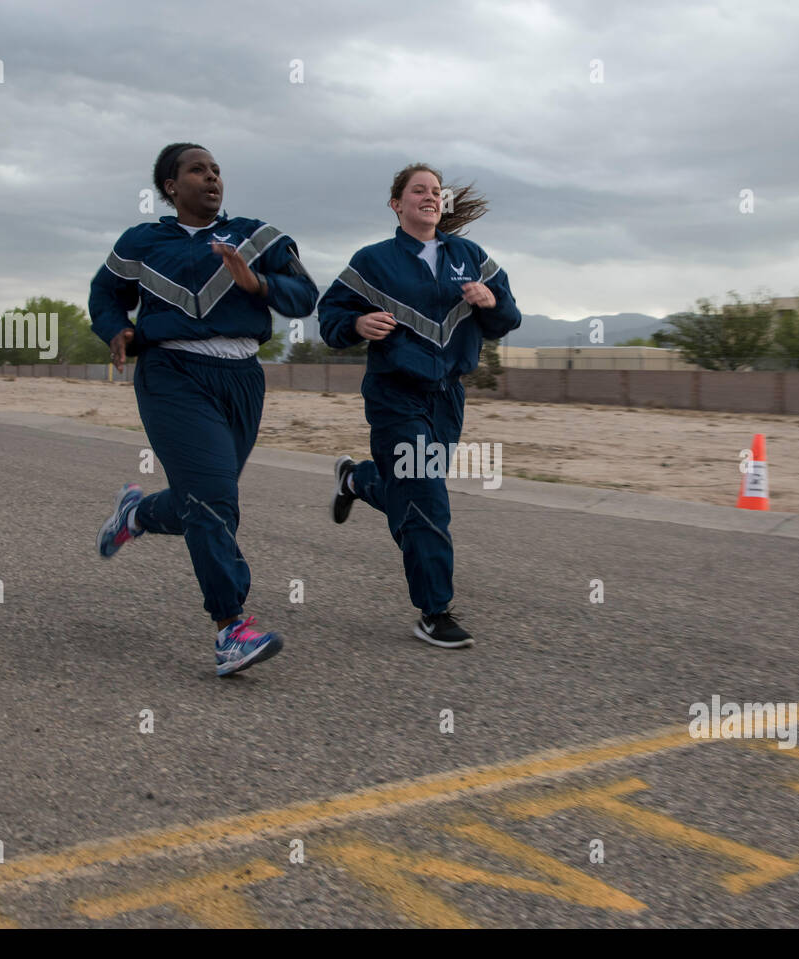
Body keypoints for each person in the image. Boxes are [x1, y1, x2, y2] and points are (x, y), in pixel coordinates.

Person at [89, 142, 318, 676]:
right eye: (198, 170)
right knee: (215, 496)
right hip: (172, 375)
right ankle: (230, 629)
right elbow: (104, 295)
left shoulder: (257, 237)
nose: (212, 178)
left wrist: (256, 282)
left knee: (203, 501)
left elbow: (305, 295)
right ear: (171, 187)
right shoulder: (141, 243)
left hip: (242, 378)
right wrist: (115, 330)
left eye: (216, 170)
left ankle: (138, 514)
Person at [317, 163, 521, 648]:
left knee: (412, 489)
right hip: (395, 394)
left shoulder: (471, 256)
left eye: (436, 192)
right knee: (427, 494)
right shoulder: (373, 262)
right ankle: (435, 611)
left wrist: (490, 302)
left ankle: (359, 480)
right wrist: (357, 325)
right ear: (397, 204)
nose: (430, 197)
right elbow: (330, 318)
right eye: (418, 190)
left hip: (449, 396)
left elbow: (509, 317)